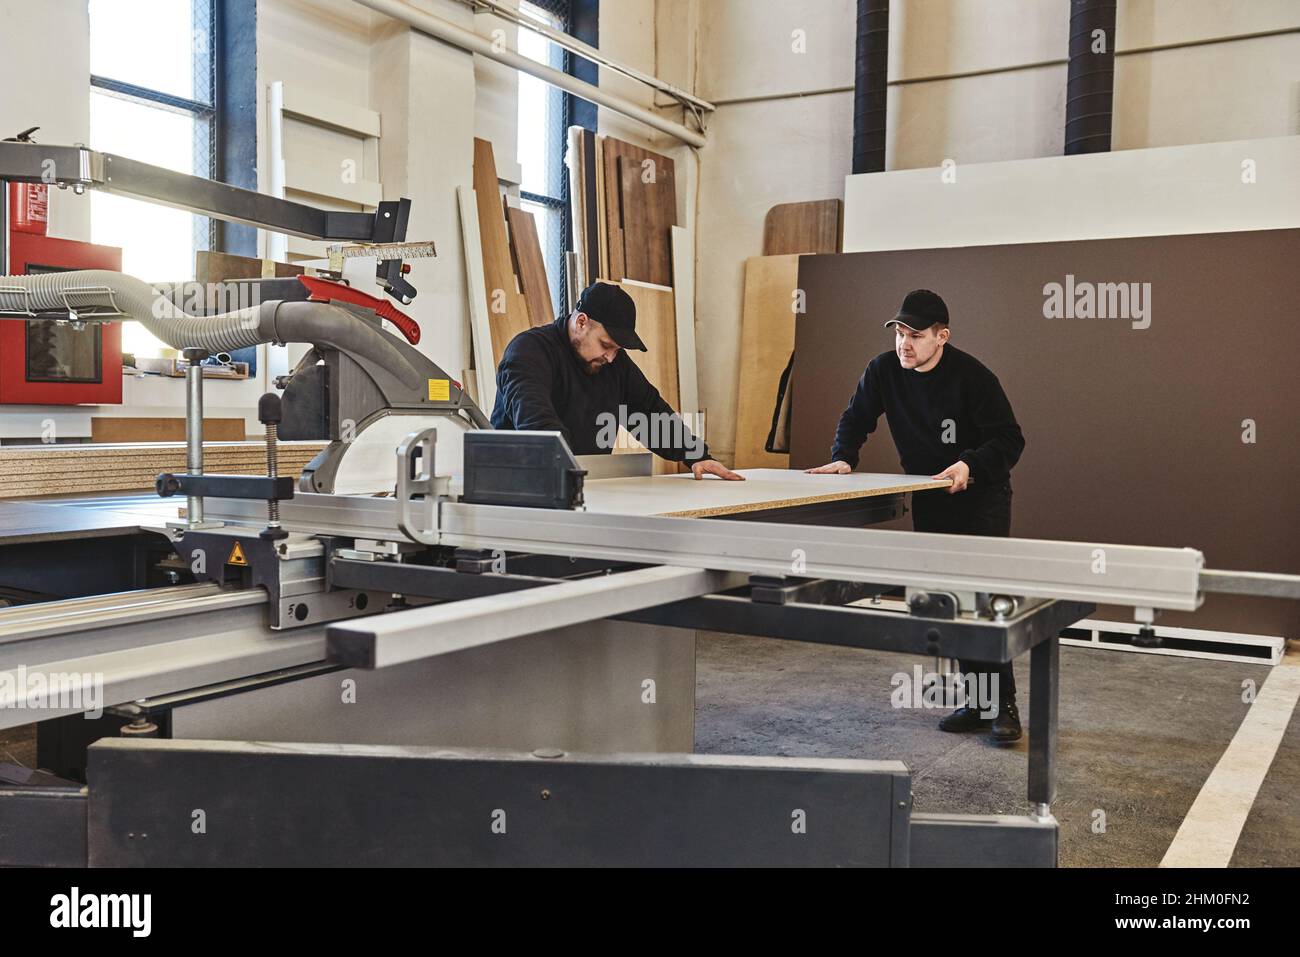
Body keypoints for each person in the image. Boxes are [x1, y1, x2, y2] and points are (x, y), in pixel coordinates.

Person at [806, 289, 1026, 742]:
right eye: (900, 334)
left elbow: (1009, 440)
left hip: (980, 496)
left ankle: (1004, 708)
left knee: (981, 601)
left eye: (916, 335)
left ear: (941, 337)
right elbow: (856, 416)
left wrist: (969, 464)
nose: (904, 343)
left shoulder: (973, 377)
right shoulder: (884, 370)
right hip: (930, 494)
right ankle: (977, 702)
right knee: (949, 601)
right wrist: (844, 456)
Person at [492, 281, 741, 480]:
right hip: (521, 484)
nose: (611, 357)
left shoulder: (613, 364)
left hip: (582, 486)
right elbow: (537, 422)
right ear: (581, 322)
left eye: (617, 350)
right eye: (606, 345)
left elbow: (648, 412)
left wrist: (697, 455)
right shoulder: (529, 351)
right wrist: (567, 472)